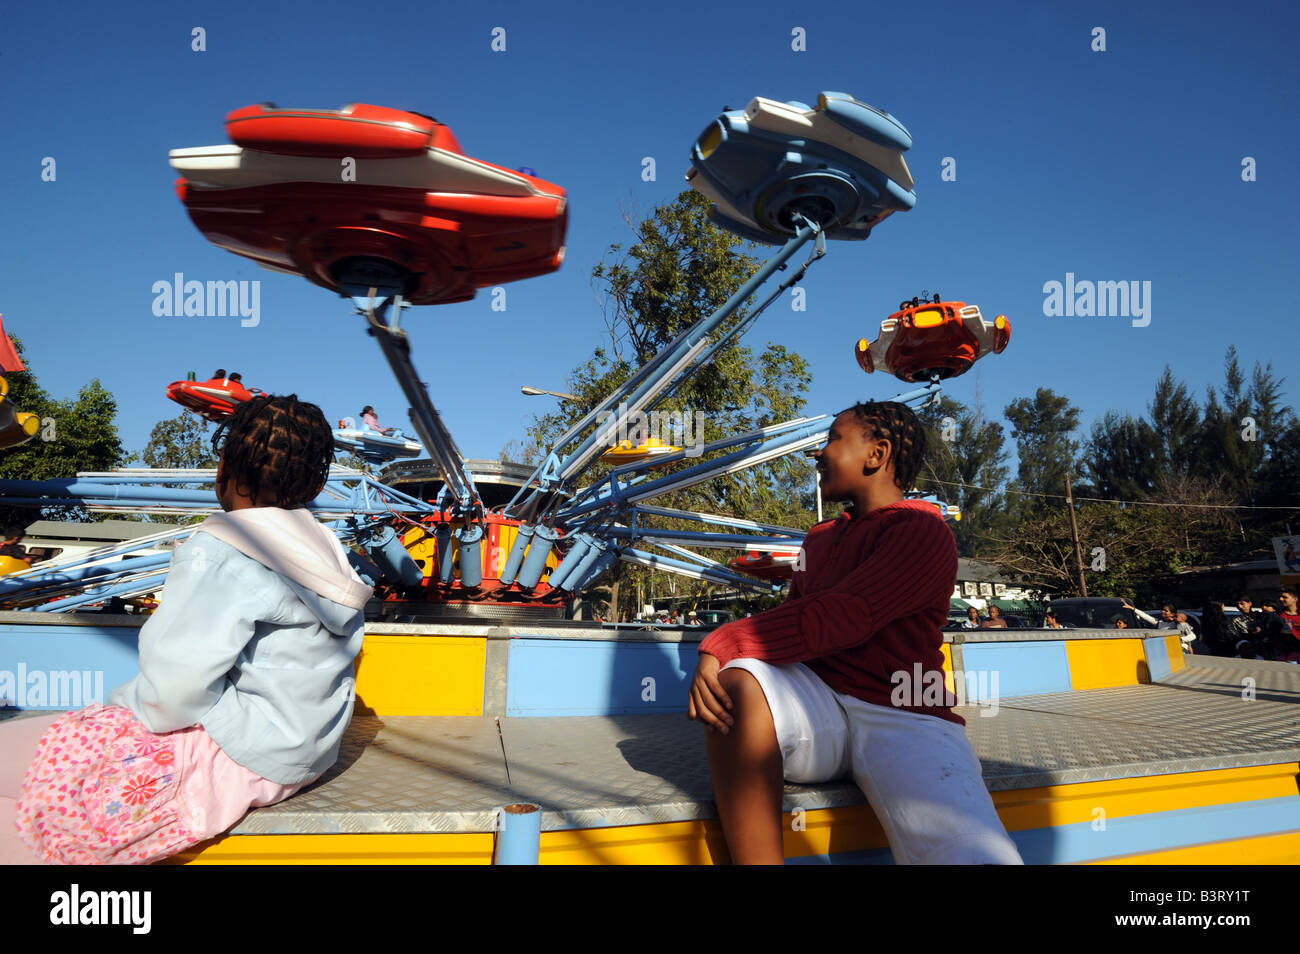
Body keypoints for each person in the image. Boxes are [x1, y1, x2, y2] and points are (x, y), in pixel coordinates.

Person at [2, 394, 372, 864]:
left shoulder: (227, 546)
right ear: (315, 481)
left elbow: (171, 693)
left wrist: (114, 720)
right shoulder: (322, 548)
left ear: (224, 465)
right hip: (297, 757)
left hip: (233, 754)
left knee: (42, 812)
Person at [687, 400, 1022, 865]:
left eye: (833, 439)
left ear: (877, 454)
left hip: (902, 714)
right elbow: (795, 630)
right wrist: (731, 657)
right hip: (820, 707)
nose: (820, 453)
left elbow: (847, 615)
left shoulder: (922, 529)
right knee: (738, 683)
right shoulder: (820, 537)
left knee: (973, 855)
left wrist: (726, 640)